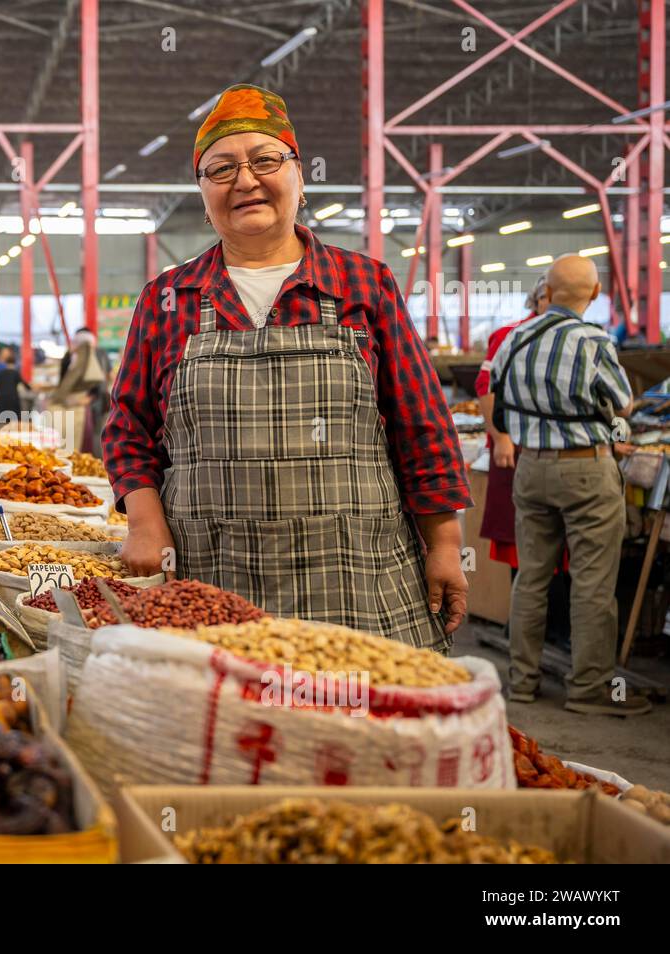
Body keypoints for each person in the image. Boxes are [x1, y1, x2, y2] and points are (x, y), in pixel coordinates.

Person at [103, 84, 471, 651]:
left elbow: (420, 425)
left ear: (299, 178)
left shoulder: (364, 285)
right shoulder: (168, 297)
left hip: (357, 580)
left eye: (265, 160)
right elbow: (128, 428)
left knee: (360, 727)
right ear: (202, 196)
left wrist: (445, 544)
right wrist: (145, 524)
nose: (245, 180)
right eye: (220, 169)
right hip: (210, 584)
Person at [488, 255, 647, 716]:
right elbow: (622, 403)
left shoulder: (515, 337)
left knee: (531, 578)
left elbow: (495, 393)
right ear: (595, 295)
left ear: (548, 291)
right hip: (585, 471)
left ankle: (522, 682)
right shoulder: (593, 340)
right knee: (593, 582)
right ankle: (588, 690)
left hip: (530, 468)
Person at [476, 275, 548, 569]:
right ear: (539, 299)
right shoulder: (511, 334)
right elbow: (486, 386)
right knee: (521, 541)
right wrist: (501, 436)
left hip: (551, 453)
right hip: (517, 451)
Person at [50, 328, 112, 454]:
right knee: (80, 438)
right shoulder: (70, 356)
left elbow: (101, 380)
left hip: (88, 405)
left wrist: (90, 398)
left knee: (89, 437)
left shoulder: (96, 354)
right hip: (76, 405)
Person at [0, 346, 27, 422]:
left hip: (2, 399)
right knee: (15, 420)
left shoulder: (0, 373)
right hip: (13, 398)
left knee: (2, 420)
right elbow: (24, 384)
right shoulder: (15, 373)